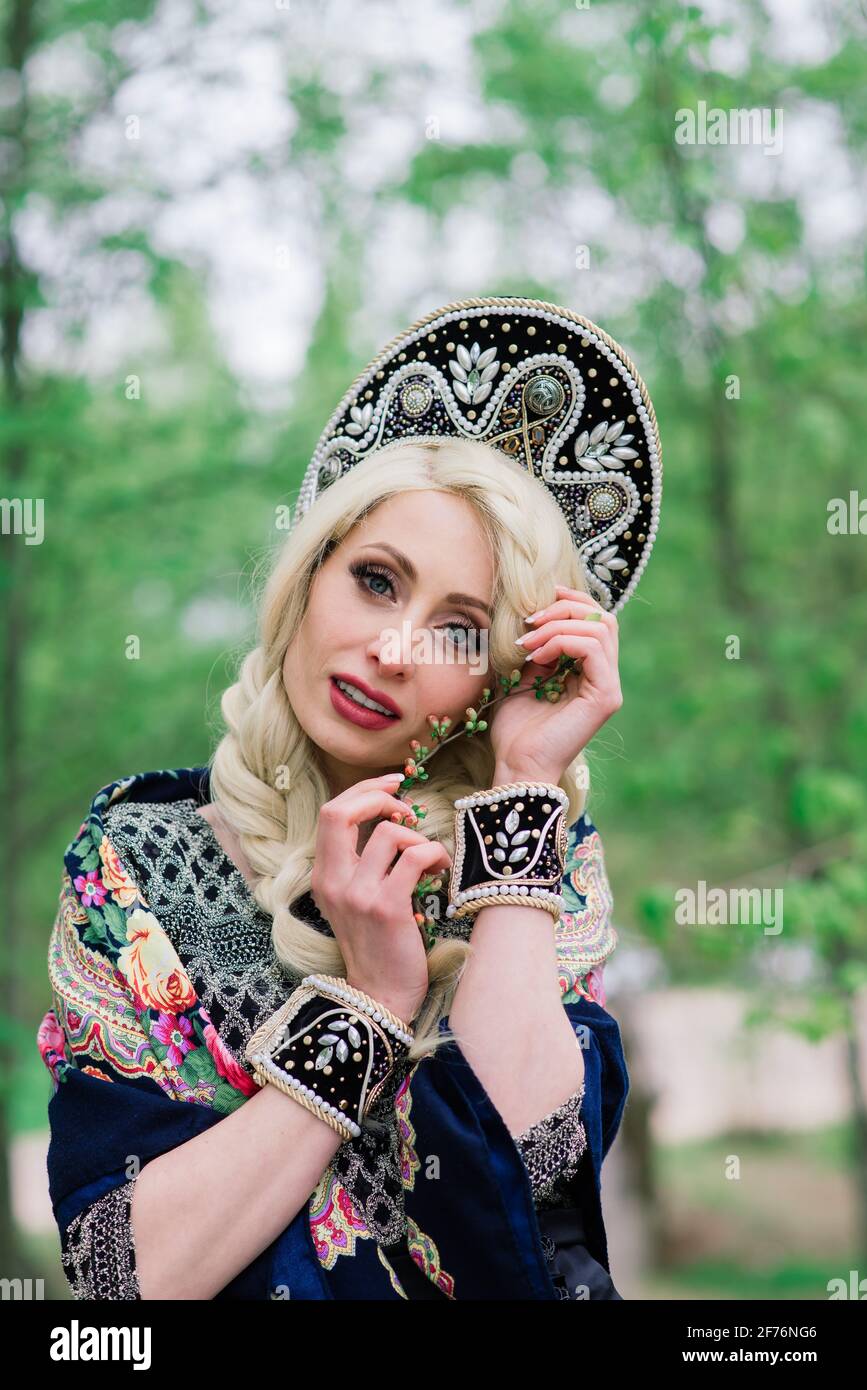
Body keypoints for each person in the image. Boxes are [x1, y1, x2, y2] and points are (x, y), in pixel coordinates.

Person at [37, 295, 662, 1300]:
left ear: (497, 681)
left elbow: (537, 1197)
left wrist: (526, 781)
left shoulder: (538, 859)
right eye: (376, 580)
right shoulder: (138, 866)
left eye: (459, 631)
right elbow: (127, 1282)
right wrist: (370, 1005)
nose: (393, 649)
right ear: (309, 576)